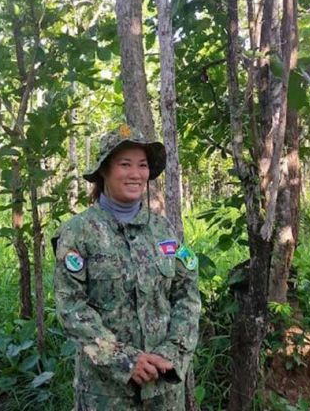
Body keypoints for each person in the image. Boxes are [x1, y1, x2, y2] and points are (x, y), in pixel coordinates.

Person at [52, 124, 201, 410]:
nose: (136, 174)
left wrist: (171, 353)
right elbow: (71, 308)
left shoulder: (163, 230)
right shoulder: (78, 232)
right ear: (104, 171)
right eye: (125, 164)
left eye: (142, 165)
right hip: (106, 393)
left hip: (164, 389)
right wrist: (125, 360)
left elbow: (187, 294)